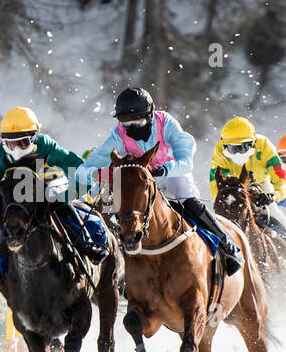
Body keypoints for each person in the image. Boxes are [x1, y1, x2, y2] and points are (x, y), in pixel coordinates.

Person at [81, 87, 243, 276]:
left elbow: (186, 160)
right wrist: (94, 173)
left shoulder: (165, 123)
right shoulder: (118, 134)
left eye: (138, 121)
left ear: (150, 116)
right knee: (121, 208)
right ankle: (123, 266)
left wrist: (164, 169)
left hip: (173, 171)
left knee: (187, 199)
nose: (131, 128)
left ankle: (226, 245)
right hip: (144, 178)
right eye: (126, 124)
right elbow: (92, 162)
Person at [0, 107, 110, 288]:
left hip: (49, 186)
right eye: (10, 144)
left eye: (22, 143)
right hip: (18, 198)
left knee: (68, 211)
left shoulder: (46, 145)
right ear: (3, 142)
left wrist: (65, 196)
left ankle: (87, 245)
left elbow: (82, 170)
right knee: (5, 225)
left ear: (35, 137)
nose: (16, 149)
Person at [209, 116, 286, 247]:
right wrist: (223, 204)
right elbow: (216, 186)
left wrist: (274, 196)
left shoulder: (264, 146)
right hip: (235, 194)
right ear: (224, 145)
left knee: (280, 220)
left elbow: (282, 180)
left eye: (243, 147)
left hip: (262, 189)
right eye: (233, 148)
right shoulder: (219, 152)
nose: (238, 153)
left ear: (253, 143)